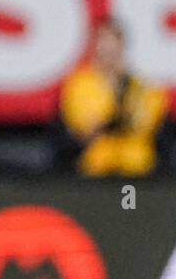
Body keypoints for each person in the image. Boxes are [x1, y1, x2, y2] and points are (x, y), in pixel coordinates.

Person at [55, 18, 169, 177]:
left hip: (136, 167)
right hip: (97, 166)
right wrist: (112, 118)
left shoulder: (143, 87)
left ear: (122, 45)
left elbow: (146, 123)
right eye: (102, 41)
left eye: (113, 41)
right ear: (93, 45)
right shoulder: (79, 84)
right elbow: (83, 129)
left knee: (132, 189)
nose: (107, 48)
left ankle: (130, 201)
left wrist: (124, 115)